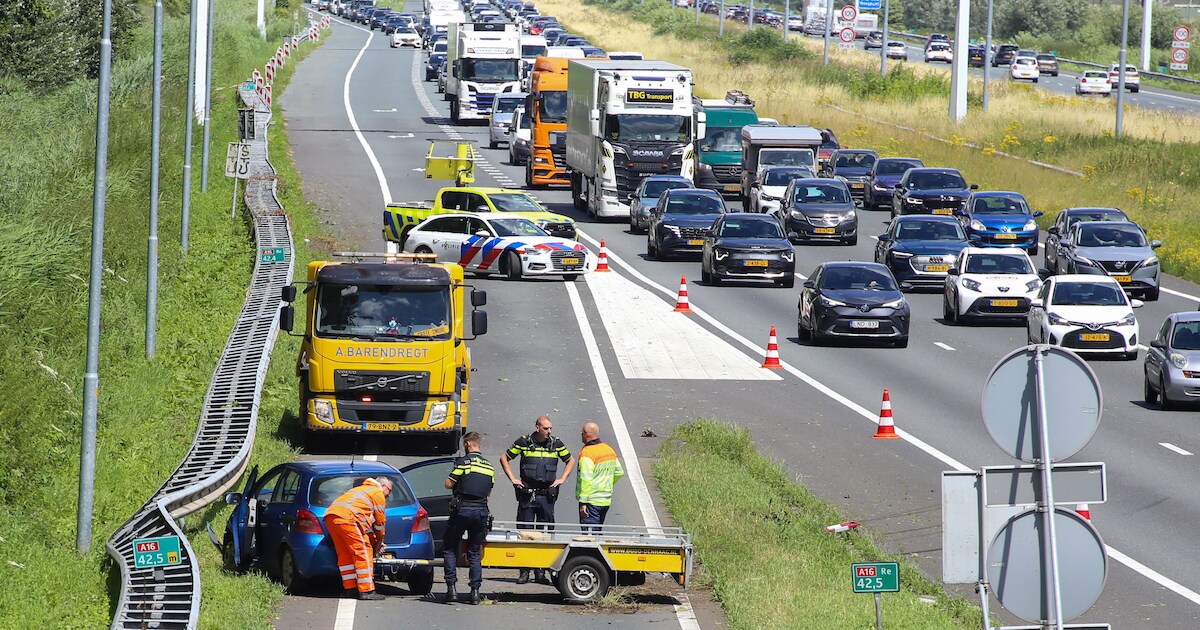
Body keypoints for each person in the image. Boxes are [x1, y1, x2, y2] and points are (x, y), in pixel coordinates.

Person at [501, 415, 575, 585]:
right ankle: (524, 571)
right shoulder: (524, 442)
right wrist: (513, 479)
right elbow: (504, 458)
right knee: (525, 533)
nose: (549, 432)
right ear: (537, 428)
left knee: (544, 534)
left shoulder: (556, 443)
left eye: (550, 428)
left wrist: (562, 479)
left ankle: (540, 572)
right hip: (527, 494)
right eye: (546, 428)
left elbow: (570, 460)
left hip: (546, 495)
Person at [442, 432, 494, 605]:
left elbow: (448, 484)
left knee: (450, 547)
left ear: (469, 444)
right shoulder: (489, 466)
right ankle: (475, 592)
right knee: (474, 552)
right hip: (481, 512)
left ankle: (451, 590)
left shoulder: (463, 462)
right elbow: (488, 493)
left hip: (462, 510)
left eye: (465, 444)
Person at [323, 476, 394, 600]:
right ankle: (367, 590)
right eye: (389, 491)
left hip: (332, 517)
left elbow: (365, 528)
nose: (388, 496)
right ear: (383, 485)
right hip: (348, 518)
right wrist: (379, 541)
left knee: (345, 554)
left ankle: (350, 589)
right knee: (364, 551)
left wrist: (375, 540)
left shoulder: (361, 490)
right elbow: (380, 523)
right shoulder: (377, 493)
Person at [576, 422, 624, 533]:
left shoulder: (587, 453)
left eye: (582, 433)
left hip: (591, 501)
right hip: (605, 500)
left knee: (589, 538)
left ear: (586, 434)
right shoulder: (608, 449)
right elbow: (619, 472)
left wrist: (583, 502)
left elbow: (586, 478)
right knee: (597, 533)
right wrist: (606, 485)